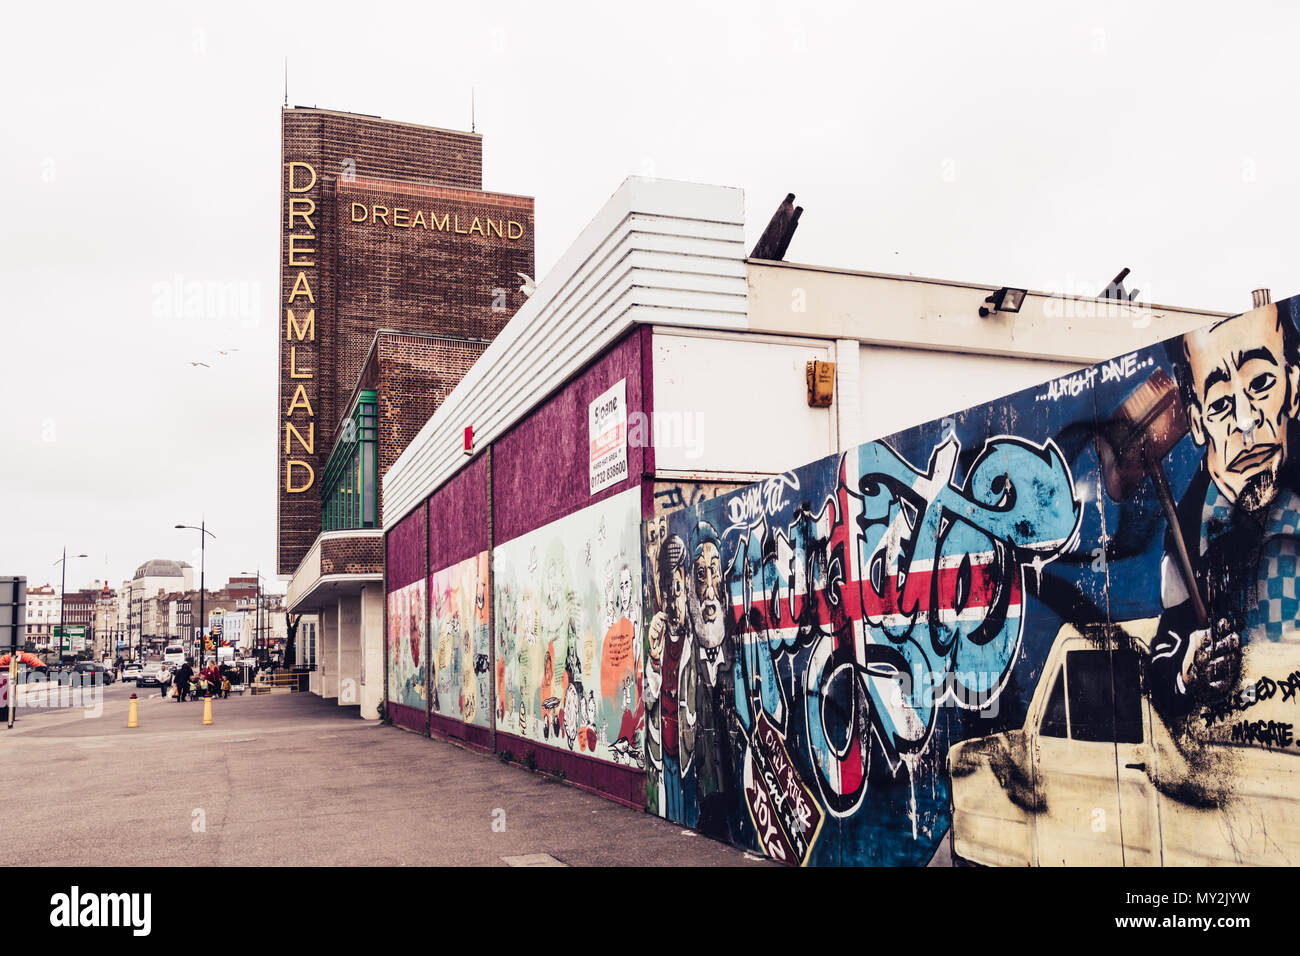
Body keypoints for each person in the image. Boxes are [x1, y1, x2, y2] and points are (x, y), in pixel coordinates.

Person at [1150, 299, 1300, 719]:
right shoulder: (1187, 532)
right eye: (1218, 404)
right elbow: (1165, 658)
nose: (1246, 420)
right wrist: (1187, 674)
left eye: (1261, 383)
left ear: (1293, 382)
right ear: (1197, 421)